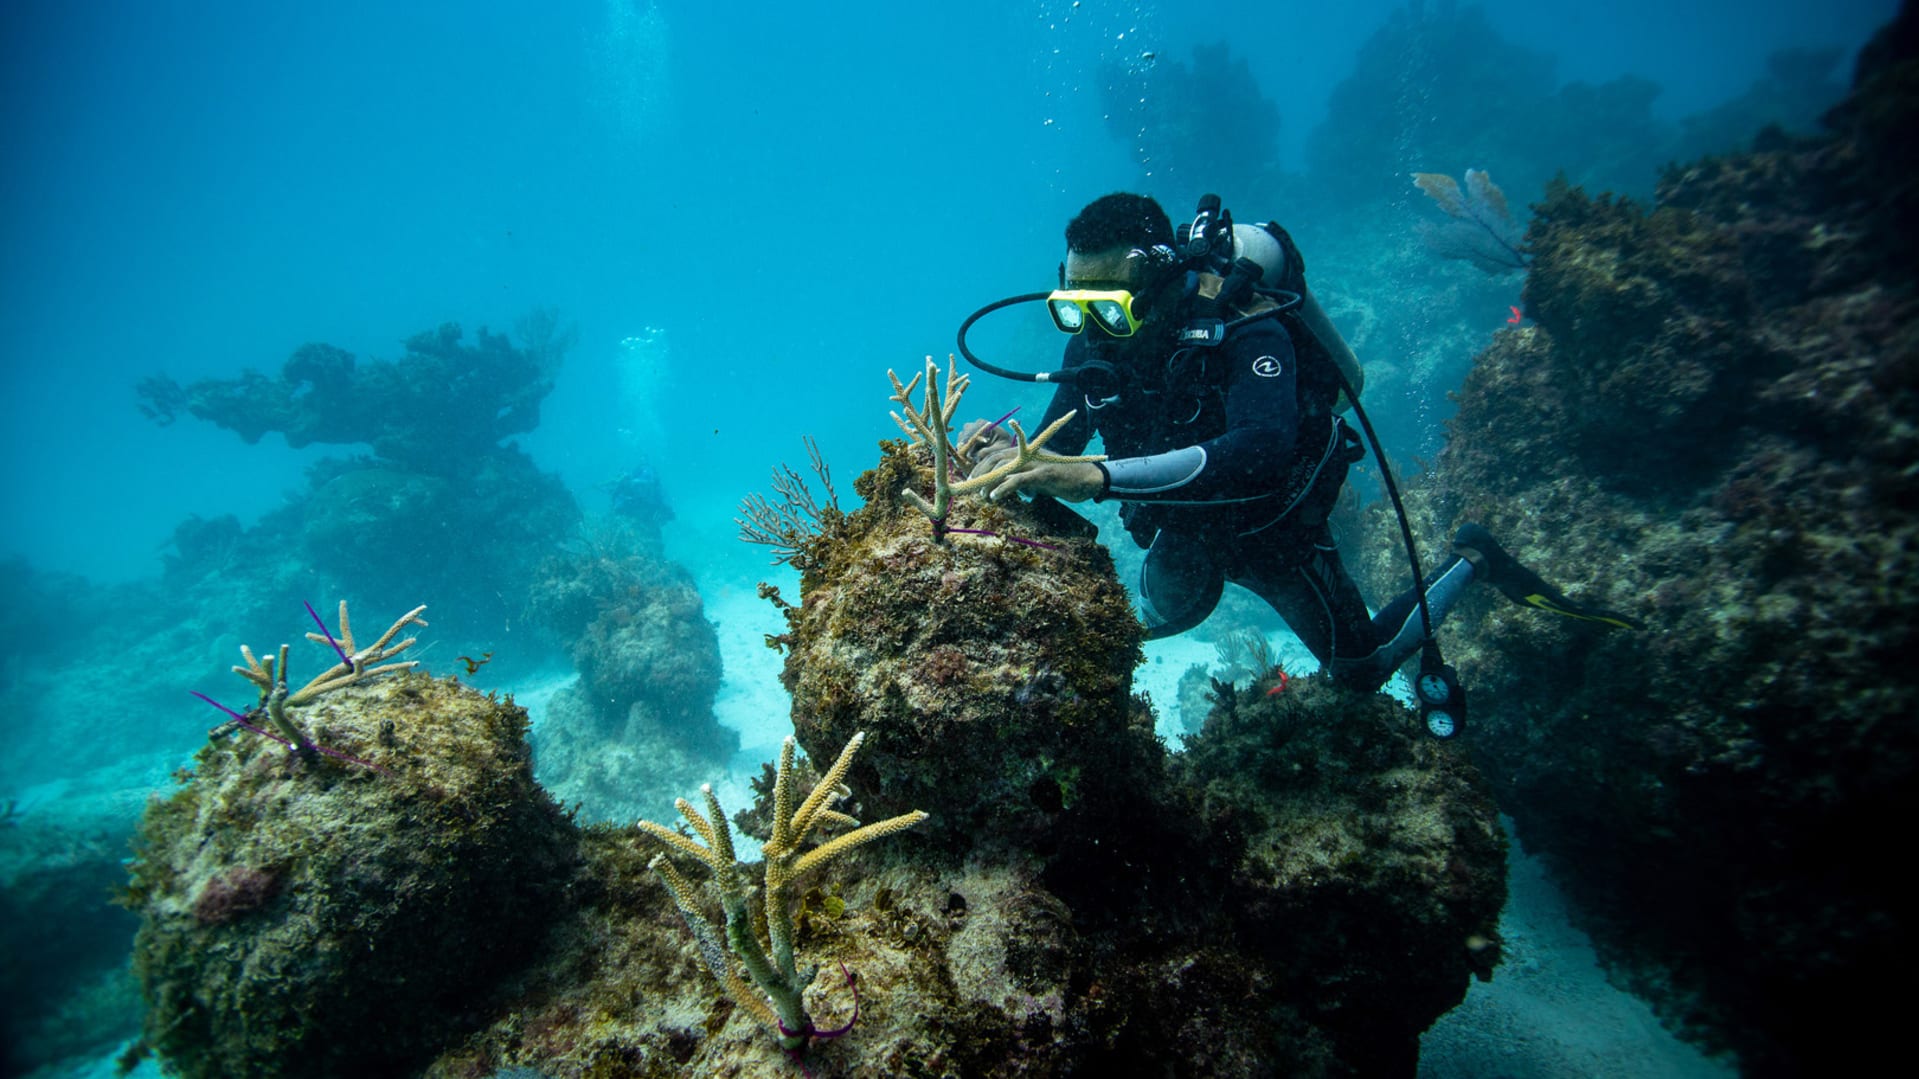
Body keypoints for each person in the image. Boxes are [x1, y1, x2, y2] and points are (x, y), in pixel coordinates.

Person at [967, 193, 1634, 692]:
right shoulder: (1093, 335)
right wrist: (1006, 448)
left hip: (1274, 528)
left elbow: (1261, 448)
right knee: (1147, 622)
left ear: (1161, 282)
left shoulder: (1246, 322)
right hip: (1179, 526)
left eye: (1107, 305)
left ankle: (1473, 558)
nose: (1089, 326)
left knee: (1361, 670)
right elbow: (1059, 441)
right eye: (1072, 305)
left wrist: (1098, 477)